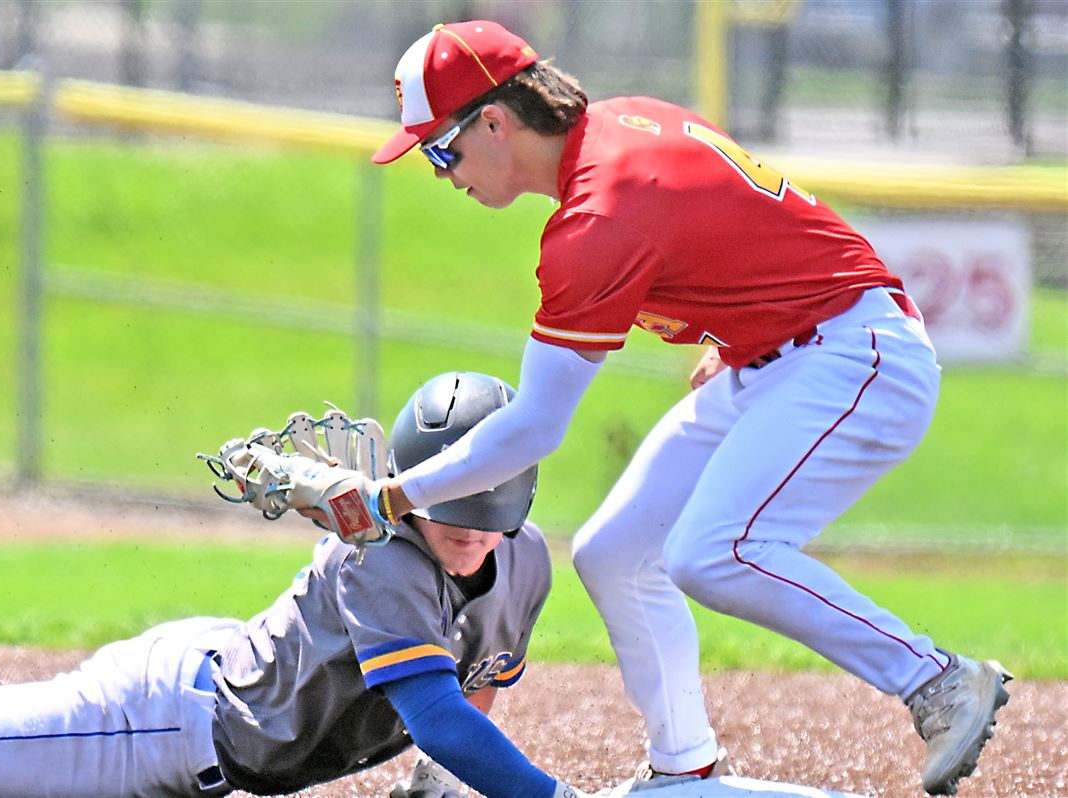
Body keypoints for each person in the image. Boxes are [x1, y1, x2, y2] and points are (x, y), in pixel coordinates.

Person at [366, 20, 1012, 797]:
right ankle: (686, 766)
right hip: (786, 352)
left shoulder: (596, 218)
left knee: (714, 552)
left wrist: (392, 496)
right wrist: (747, 326)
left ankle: (936, 679)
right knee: (614, 551)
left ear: (497, 122)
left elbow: (535, 425)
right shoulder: (626, 123)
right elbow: (761, 226)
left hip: (852, 358)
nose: (442, 174)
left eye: (441, 150)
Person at [0, 372, 607, 798]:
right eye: (449, 509)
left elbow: (477, 676)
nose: (470, 531)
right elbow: (437, 718)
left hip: (231, 703)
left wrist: (443, 783)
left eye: (488, 514)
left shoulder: (527, 561)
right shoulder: (377, 558)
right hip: (165, 722)